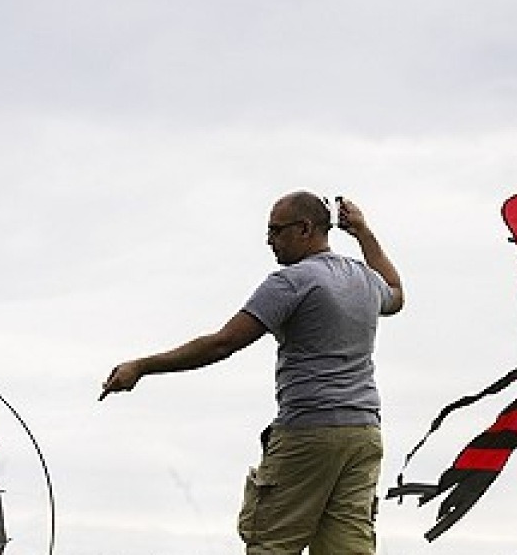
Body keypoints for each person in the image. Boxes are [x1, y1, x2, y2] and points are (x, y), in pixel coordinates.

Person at [99, 191, 404, 555]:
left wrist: (142, 367)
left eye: (276, 231)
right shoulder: (363, 279)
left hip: (308, 433)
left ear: (305, 228)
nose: (269, 241)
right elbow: (397, 294)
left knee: (271, 543)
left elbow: (223, 343)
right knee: (348, 549)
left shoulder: (291, 282)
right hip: (363, 433)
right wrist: (364, 233)